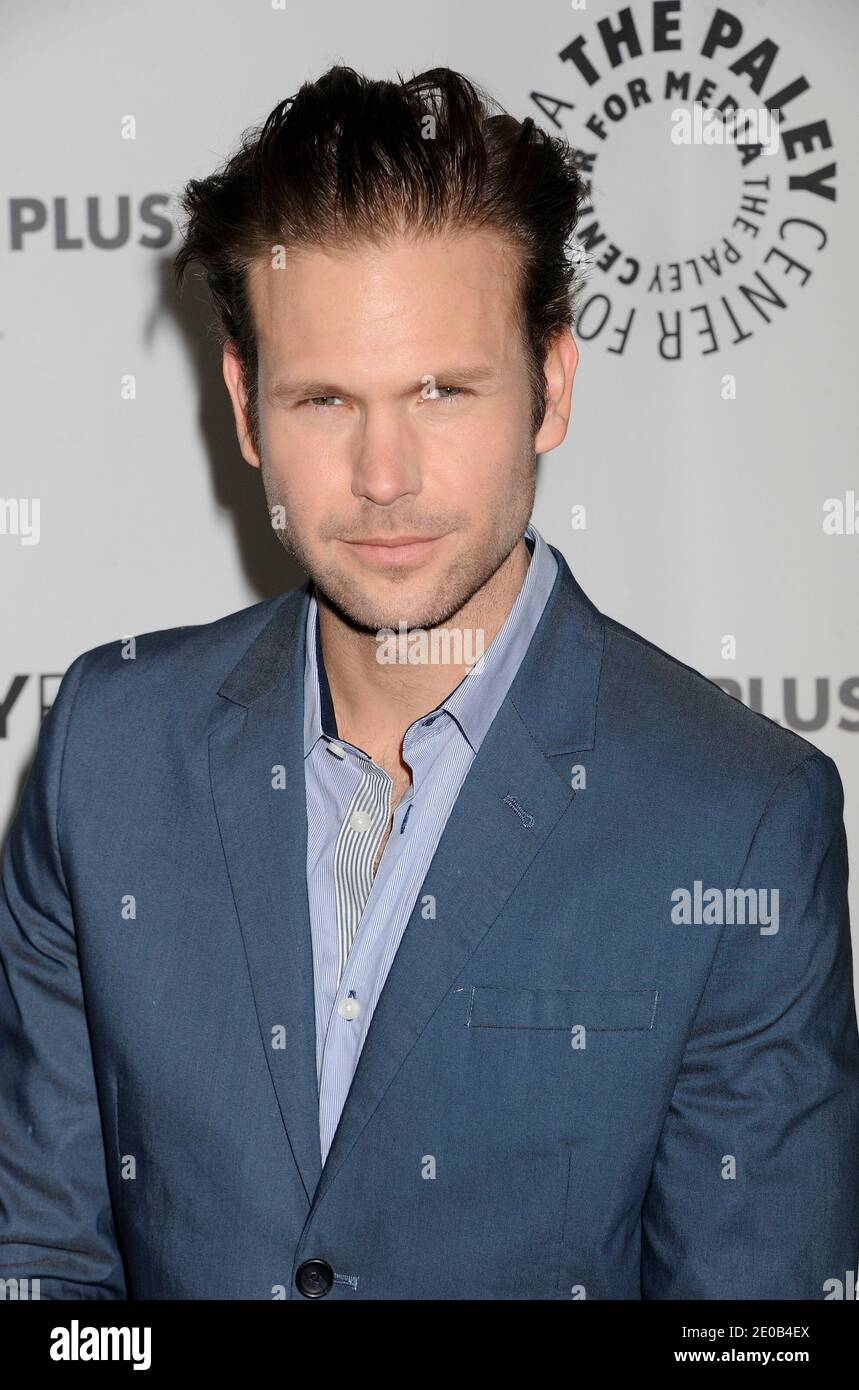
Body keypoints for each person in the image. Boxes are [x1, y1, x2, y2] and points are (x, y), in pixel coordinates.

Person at [1, 65, 857, 1302]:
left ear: (551, 384)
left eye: (441, 392)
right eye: (324, 399)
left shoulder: (736, 820)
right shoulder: (108, 750)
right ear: (244, 407)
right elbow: (40, 1266)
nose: (383, 473)